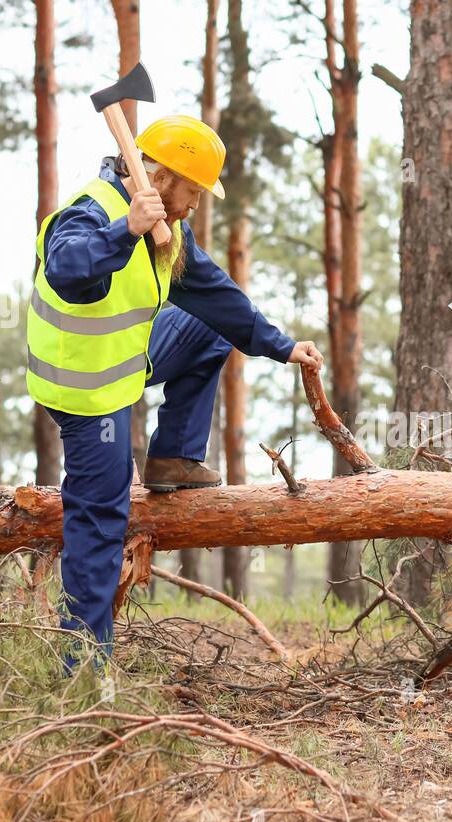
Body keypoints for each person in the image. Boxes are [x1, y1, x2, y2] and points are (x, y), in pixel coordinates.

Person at [26, 115, 323, 672]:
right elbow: (67, 268)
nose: (194, 205)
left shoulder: (172, 229)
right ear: (162, 177)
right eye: (192, 191)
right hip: (85, 385)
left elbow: (216, 297)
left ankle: (174, 459)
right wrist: (126, 231)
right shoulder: (94, 210)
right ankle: (82, 671)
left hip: (126, 358)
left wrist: (282, 347)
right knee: (100, 515)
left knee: (210, 328)